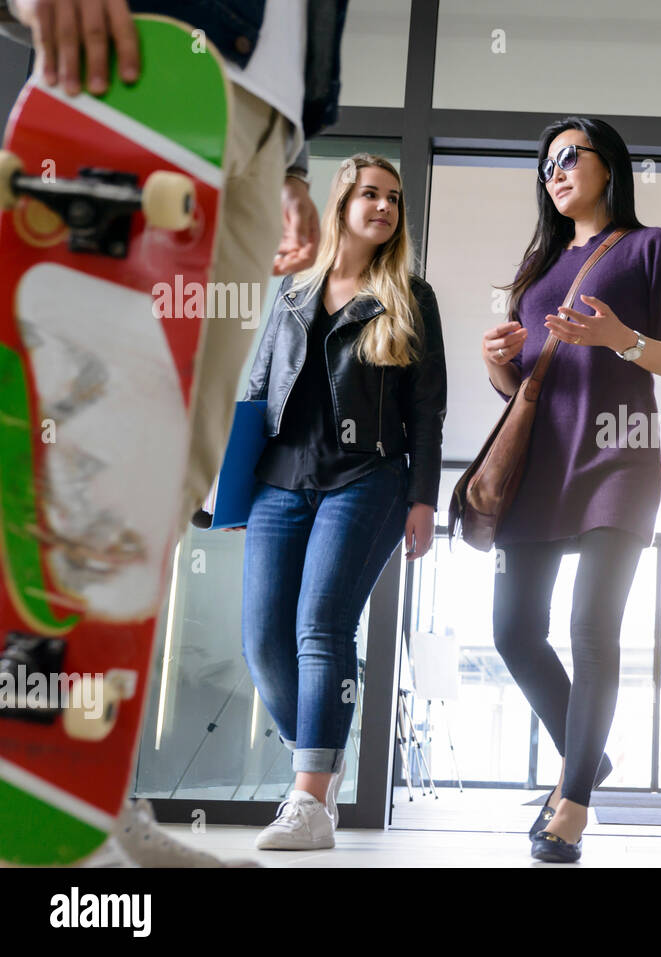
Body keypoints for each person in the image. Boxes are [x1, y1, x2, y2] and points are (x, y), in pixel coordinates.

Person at [0, 0, 351, 866]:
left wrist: (290, 154)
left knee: (167, 468)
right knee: (74, 448)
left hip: (262, 121)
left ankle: (83, 791)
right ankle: (41, 792)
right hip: (140, 59)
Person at [481, 116, 661, 863]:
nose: (557, 170)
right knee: (513, 631)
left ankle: (572, 801)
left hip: (618, 460)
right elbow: (521, 391)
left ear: (610, 166)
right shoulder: (536, 268)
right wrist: (496, 363)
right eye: (546, 163)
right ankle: (590, 756)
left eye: (571, 156)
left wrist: (622, 340)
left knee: (590, 628)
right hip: (540, 467)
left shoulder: (650, 247)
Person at [241, 153, 445, 851]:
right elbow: (260, 386)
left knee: (321, 625)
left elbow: (428, 409)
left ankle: (307, 799)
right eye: (371, 194)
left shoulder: (412, 296)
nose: (385, 206)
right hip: (281, 478)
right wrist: (229, 472)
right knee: (264, 639)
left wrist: (424, 498)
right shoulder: (295, 289)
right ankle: (321, 758)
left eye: (393, 198)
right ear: (341, 202)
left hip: (368, 477)